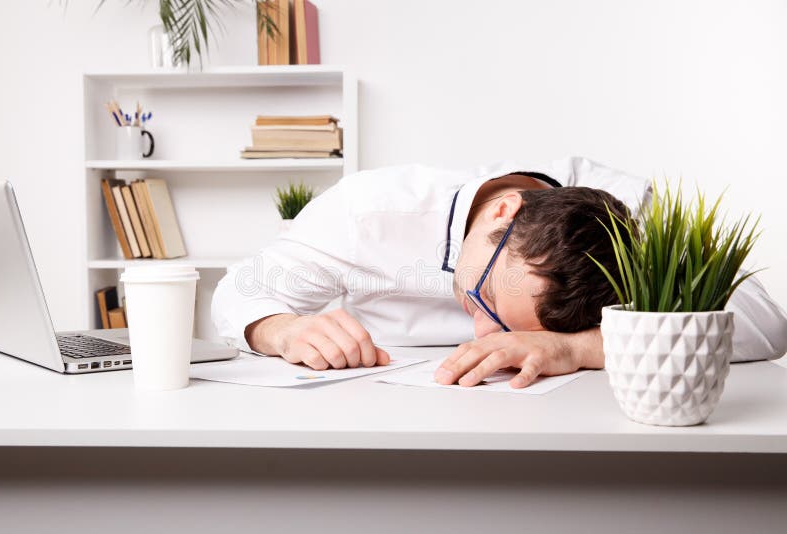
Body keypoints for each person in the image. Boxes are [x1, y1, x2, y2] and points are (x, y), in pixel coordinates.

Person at [211, 157, 787, 388]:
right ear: (503, 211)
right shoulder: (368, 210)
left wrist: (577, 348)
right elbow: (239, 290)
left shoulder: (631, 215)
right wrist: (278, 328)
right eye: (485, 296)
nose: (488, 335)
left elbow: (766, 322)